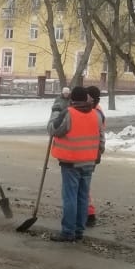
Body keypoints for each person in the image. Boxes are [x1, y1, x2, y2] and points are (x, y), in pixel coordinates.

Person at [47, 86, 103, 242]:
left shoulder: (69, 114)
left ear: (72, 99)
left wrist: (56, 110)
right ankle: (79, 230)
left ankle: (68, 232)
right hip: (89, 162)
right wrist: (98, 156)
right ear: (86, 99)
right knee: (83, 197)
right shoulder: (96, 114)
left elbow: (53, 129)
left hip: (71, 163)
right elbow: (101, 137)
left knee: (70, 197)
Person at [84, 85, 106, 226]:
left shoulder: (94, 113)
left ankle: (89, 214)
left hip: (88, 154)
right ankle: (87, 212)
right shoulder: (97, 110)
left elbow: (100, 135)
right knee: (85, 185)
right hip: (92, 153)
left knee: (83, 186)